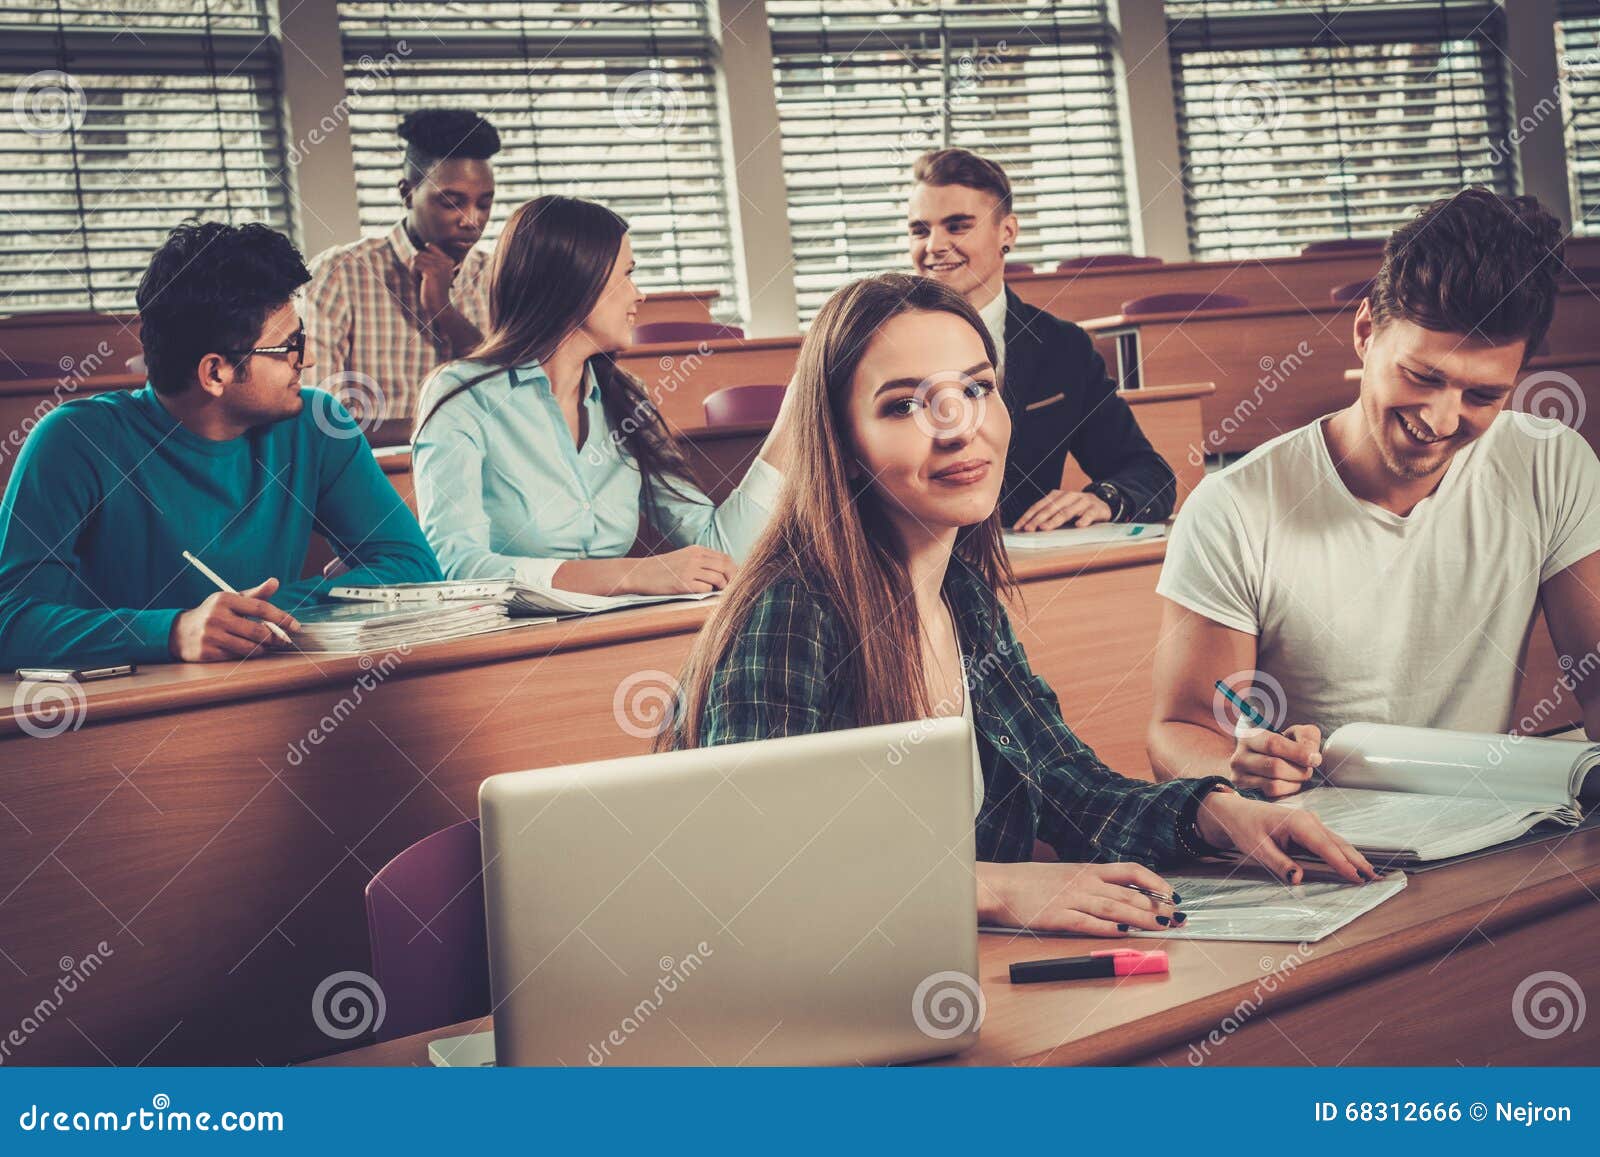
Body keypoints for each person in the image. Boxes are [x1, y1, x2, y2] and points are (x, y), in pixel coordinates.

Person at [665, 272, 1375, 933]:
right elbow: (761, 868)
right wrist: (997, 888)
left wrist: (1221, 814)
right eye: (905, 404)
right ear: (843, 443)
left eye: (976, 388)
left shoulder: (962, 596)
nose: (959, 426)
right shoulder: (788, 612)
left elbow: (1069, 785)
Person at [1148, 189, 1600, 795]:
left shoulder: (1550, 461)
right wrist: (1236, 767)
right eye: (1422, 376)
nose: (1441, 421)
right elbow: (1180, 729)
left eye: (1483, 396)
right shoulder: (1233, 508)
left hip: (1489, 822)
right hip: (1317, 840)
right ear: (1365, 331)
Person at [0, 222, 442, 670]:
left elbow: (414, 568)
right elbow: (9, 622)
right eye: (290, 346)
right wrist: (174, 630)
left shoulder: (318, 425)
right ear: (215, 373)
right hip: (127, 711)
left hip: (272, 687)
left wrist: (258, 614)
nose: (306, 360)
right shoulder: (74, 440)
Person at [412, 195, 787, 597]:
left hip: (615, 636)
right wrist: (633, 575)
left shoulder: (628, 400)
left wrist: (792, 422)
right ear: (575, 281)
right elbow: (457, 567)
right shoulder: (462, 395)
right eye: (626, 275)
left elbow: (722, 550)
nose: (638, 295)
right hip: (511, 644)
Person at [908, 147, 1176, 531]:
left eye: (957, 226)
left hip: (1028, 566)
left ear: (1008, 232)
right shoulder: (880, 346)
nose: (933, 246)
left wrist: (1104, 499)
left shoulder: (1062, 347)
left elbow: (1149, 473)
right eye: (920, 230)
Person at [305, 108, 499, 423]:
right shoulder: (339, 275)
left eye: (484, 203)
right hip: (375, 470)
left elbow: (512, 400)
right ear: (407, 194)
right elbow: (321, 420)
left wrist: (443, 312)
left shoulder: (500, 277)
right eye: (451, 202)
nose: (471, 220)